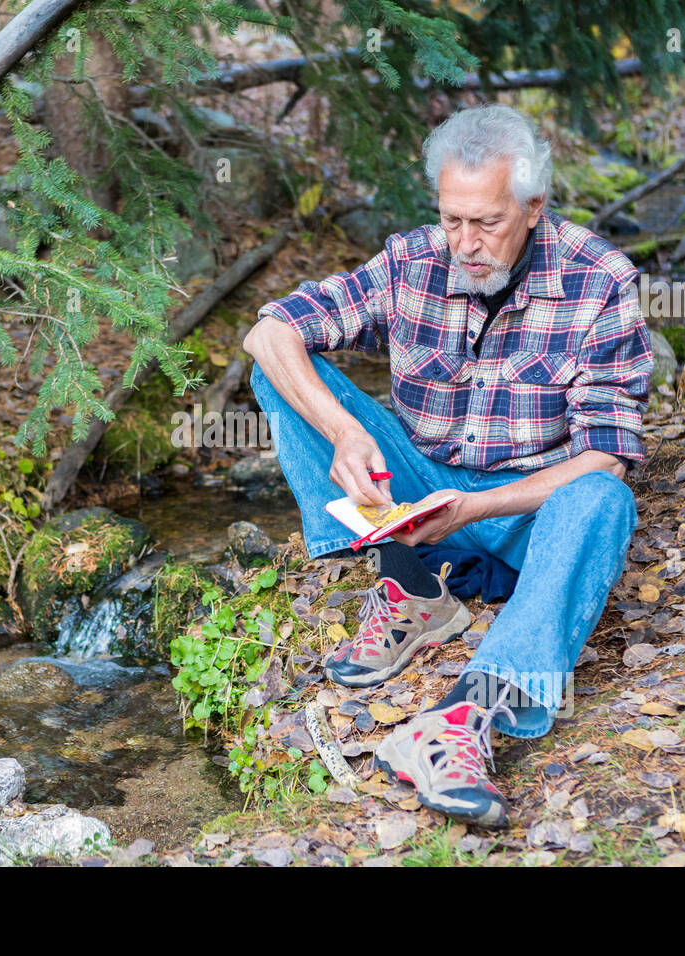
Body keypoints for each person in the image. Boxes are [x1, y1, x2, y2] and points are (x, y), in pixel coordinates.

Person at [243, 105, 653, 827]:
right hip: (422, 488)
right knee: (277, 375)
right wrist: (343, 433)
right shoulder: (411, 260)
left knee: (603, 499)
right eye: (451, 219)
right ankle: (411, 595)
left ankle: (461, 719)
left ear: (533, 207)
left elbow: (604, 458)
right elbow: (269, 331)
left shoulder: (600, 280)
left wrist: (472, 510)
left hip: (525, 515)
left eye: (485, 223)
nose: (463, 243)